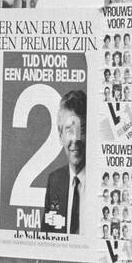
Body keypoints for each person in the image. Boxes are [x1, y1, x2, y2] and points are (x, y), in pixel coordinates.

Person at [43, 90, 86, 234]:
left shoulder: (103, 182)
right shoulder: (54, 181)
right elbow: (45, 240)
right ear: (60, 135)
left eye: (82, 130)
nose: (76, 139)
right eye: (69, 130)